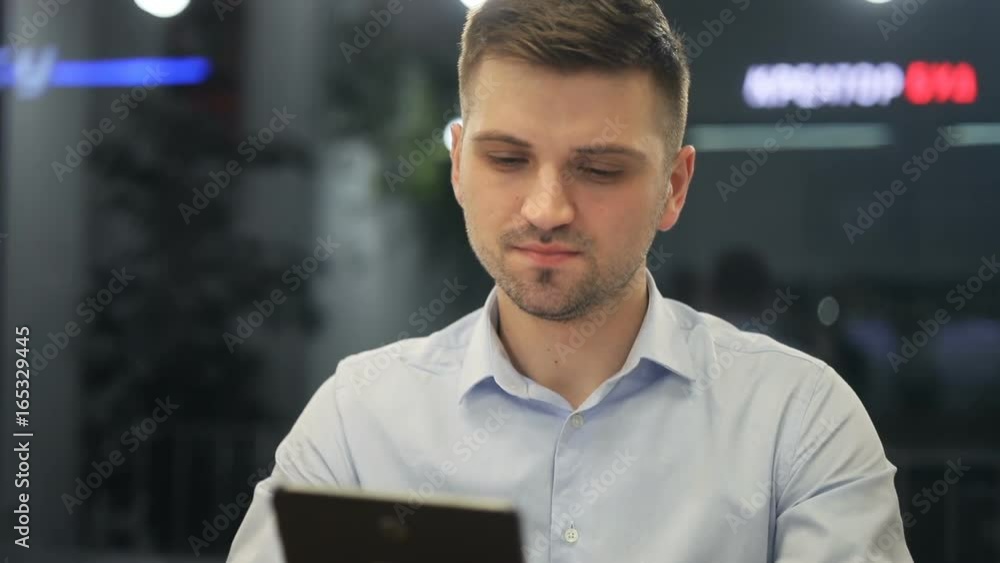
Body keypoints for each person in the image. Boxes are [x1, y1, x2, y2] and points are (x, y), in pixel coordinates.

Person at [227, 1, 913, 562]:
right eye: (507, 158)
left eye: (600, 168)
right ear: (460, 165)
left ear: (674, 187)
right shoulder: (359, 421)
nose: (547, 208)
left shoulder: (796, 422)